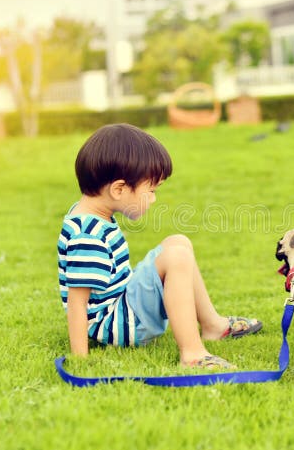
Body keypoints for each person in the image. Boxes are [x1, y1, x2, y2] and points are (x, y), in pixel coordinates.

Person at [57, 123, 262, 369]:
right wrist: (80, 360)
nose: (154, 199)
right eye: (151, 190)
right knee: (176, 256)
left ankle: (212, 325)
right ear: (119, 189)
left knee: (179, 243)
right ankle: (193, 354)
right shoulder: (87, 236)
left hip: (121, 308)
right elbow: (77, 302)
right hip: (118, 325)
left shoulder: (90, 216)